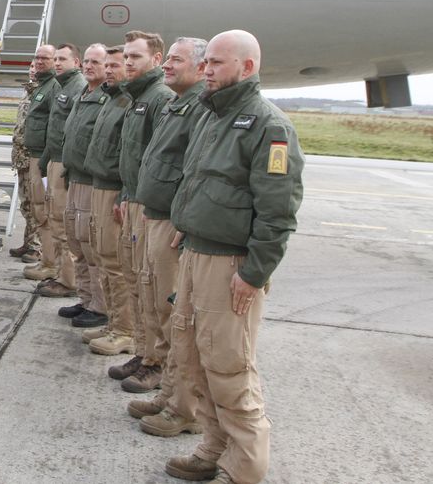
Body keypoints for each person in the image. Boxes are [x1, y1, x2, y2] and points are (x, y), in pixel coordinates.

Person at [164, 30, 303, 484]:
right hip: (196, 252)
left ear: (247, 68)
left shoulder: (269, 125)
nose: (206, 70)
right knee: (193, 354)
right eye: (205, 64)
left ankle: (244, 468)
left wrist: (254, 272)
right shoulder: (212, 114)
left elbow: (277, 212)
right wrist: (184, 223)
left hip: (231, 265)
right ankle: (213, 445)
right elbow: (199, 178)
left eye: (216, 63)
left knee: (228, 365)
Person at [128, 37, 208, 436]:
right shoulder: (179, 104)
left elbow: (195, 169)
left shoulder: (199, 107)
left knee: (175, 314)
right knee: (158, 304)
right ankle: (169, 393)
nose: (168, 66)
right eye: (169, 59)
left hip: (172, 224)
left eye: (176, 60)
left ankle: (184, 407)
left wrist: (182, 217)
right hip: (155, 214)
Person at [108, 31, 174, 385]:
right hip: (133, 201)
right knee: (135, 280)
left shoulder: (159, 98)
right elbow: (132, 156)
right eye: (127, 57)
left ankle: (158, 364)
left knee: (151, 288)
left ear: (156, 59)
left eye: (136, 57)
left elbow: (160, 159)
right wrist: (123, 194)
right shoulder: (138, 97)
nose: (129, 62)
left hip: (148, 207)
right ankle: (144, 352)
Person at [81, 44, 131, 356]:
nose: (110, 70)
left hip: (115, 190)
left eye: (115, 65)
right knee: (102, 257)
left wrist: (125, 193)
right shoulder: (113, 99)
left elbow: (134, 155)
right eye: (108, 65)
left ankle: (125, 330)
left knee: (115, 263)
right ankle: (115, 322)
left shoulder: (130, 102)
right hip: (99, 184)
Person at [58, 44, 110, 329]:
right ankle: (85, 298)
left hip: (91, 182)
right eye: (86, 62)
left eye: (96, 62)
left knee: (91, 247)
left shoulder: (108, 97)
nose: (89, 66)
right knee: (76, 243)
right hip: (75, 177)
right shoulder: (84, 94)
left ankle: (99, 306)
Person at [32, 43, 84, 300]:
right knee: (55, 220)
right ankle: (61, 274)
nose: (58, 63)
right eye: (57, 59)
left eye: (63, 59)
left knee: (64, 225)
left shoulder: (77, 87)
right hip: (54, 160)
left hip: (64, 163)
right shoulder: (65, 86)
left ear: (77, 62)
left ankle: (68, 280)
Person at [18, 44, 61, 275]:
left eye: (45, 58)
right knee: (37, 210)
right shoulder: (42, 86)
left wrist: (44, 162)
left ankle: (50, 263)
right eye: (37, 58)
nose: (40, 62)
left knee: (45, 212)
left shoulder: (53, 87)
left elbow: (54, 126)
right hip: (32, 157)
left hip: (42, 160)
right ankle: (47, 260)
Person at [9, 45, 54, 262]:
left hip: (32, 158)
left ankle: (37, 248)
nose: (33, 69)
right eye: (31, 65)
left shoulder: (44, 92)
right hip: (21, 158)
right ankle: (29, 242)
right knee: (26, 204)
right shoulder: (30, 92)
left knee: (36, 205)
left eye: (37, 65)